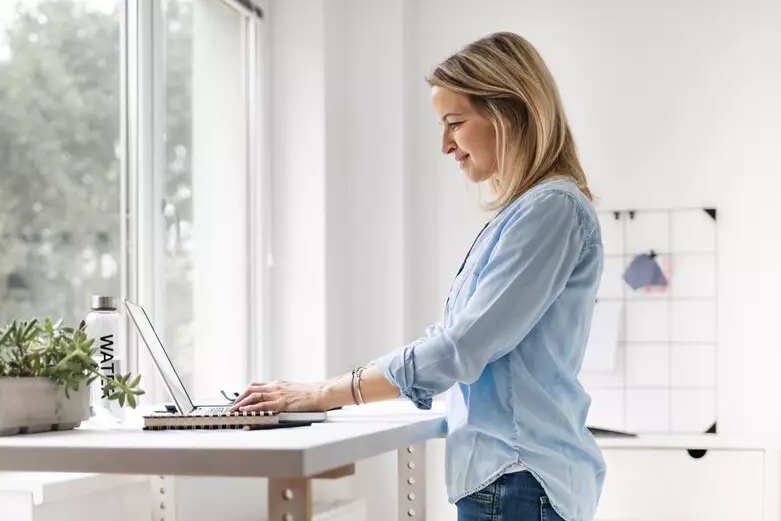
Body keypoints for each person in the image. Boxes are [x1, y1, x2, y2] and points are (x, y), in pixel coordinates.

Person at [231, 31, 605, 521]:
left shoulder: (549, 210)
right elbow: (457, 340)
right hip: (512, 478)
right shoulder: (524, 214)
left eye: (455, 123)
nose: (446, 144)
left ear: (509, 113)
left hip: (517, 478)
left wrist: (324, 393)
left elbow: (460, 348)